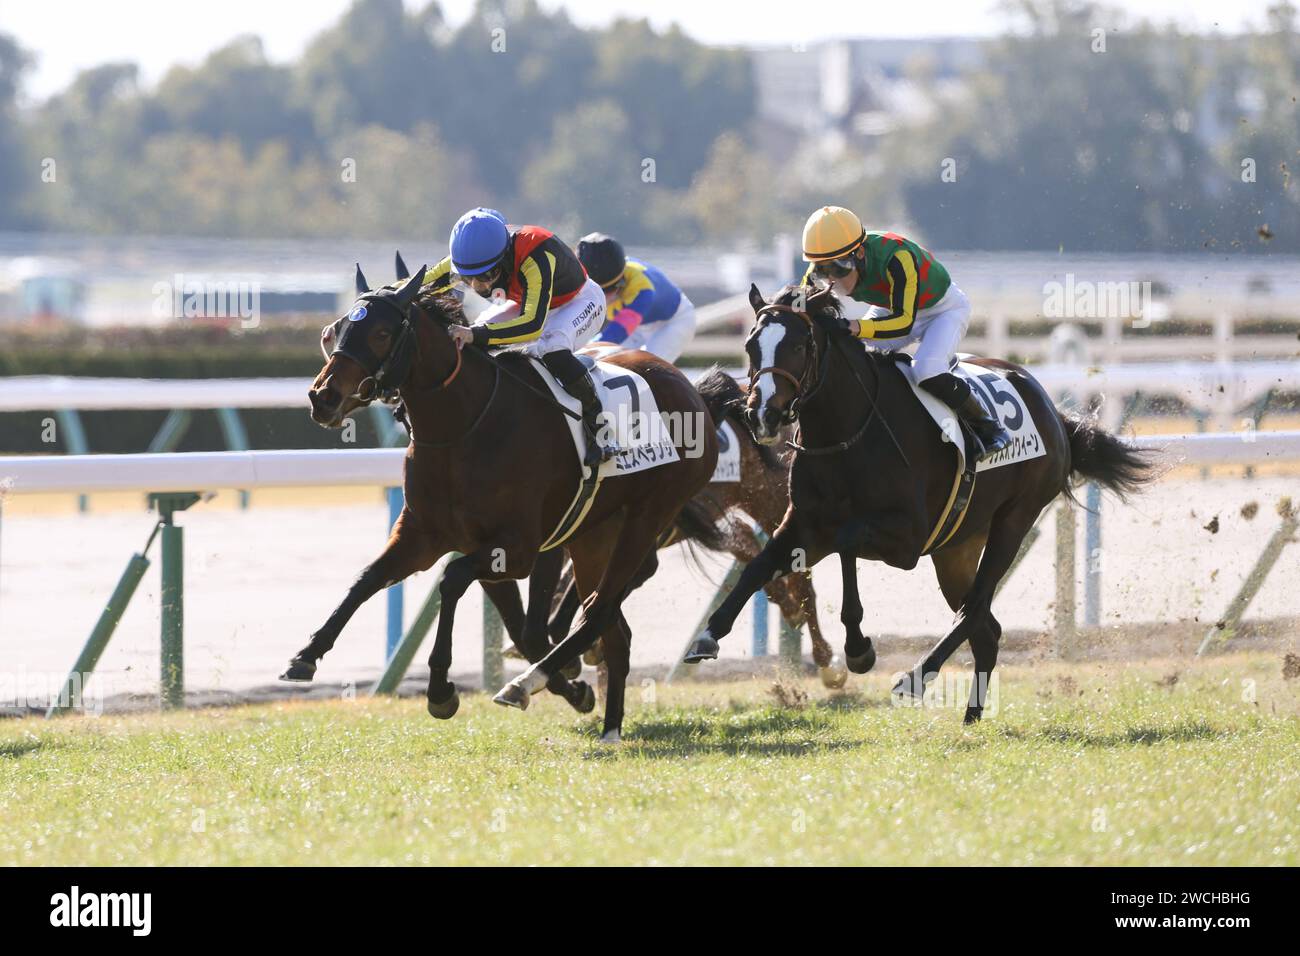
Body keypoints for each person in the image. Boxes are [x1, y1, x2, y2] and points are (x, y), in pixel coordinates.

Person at [800, 205, 1011, 460]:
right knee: (852, 356)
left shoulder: (898, 257)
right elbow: (798, 302)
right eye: (823, 270)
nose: (833, 280)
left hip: (941, 311)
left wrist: (852, 326)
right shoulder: (825, 260)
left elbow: (902, 323)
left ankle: (989, 428)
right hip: (891, 307)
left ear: (860, 253)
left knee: (926, 370)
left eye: (839, 269)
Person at [423, 208, 615, 466]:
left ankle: (601, 430)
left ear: (504, 256)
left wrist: (474, 334)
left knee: (552, 348)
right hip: (530, 303)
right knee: (474, 338)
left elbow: (532, 327)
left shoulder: (536, 254)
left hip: (578, 302)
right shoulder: (472, 254)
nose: (479, 287)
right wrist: (382, 296)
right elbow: (421, 284)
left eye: (486, 276)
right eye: (468, 279)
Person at [576, 233, 697, 363]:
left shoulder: (643, 291)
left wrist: (582, 351)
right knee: (607, 362)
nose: (603, 298)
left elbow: (616, 333)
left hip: (675, 321)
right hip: (640, 325)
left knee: (648, 369)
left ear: (620, 282)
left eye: (608, 290)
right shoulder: (610, 269)